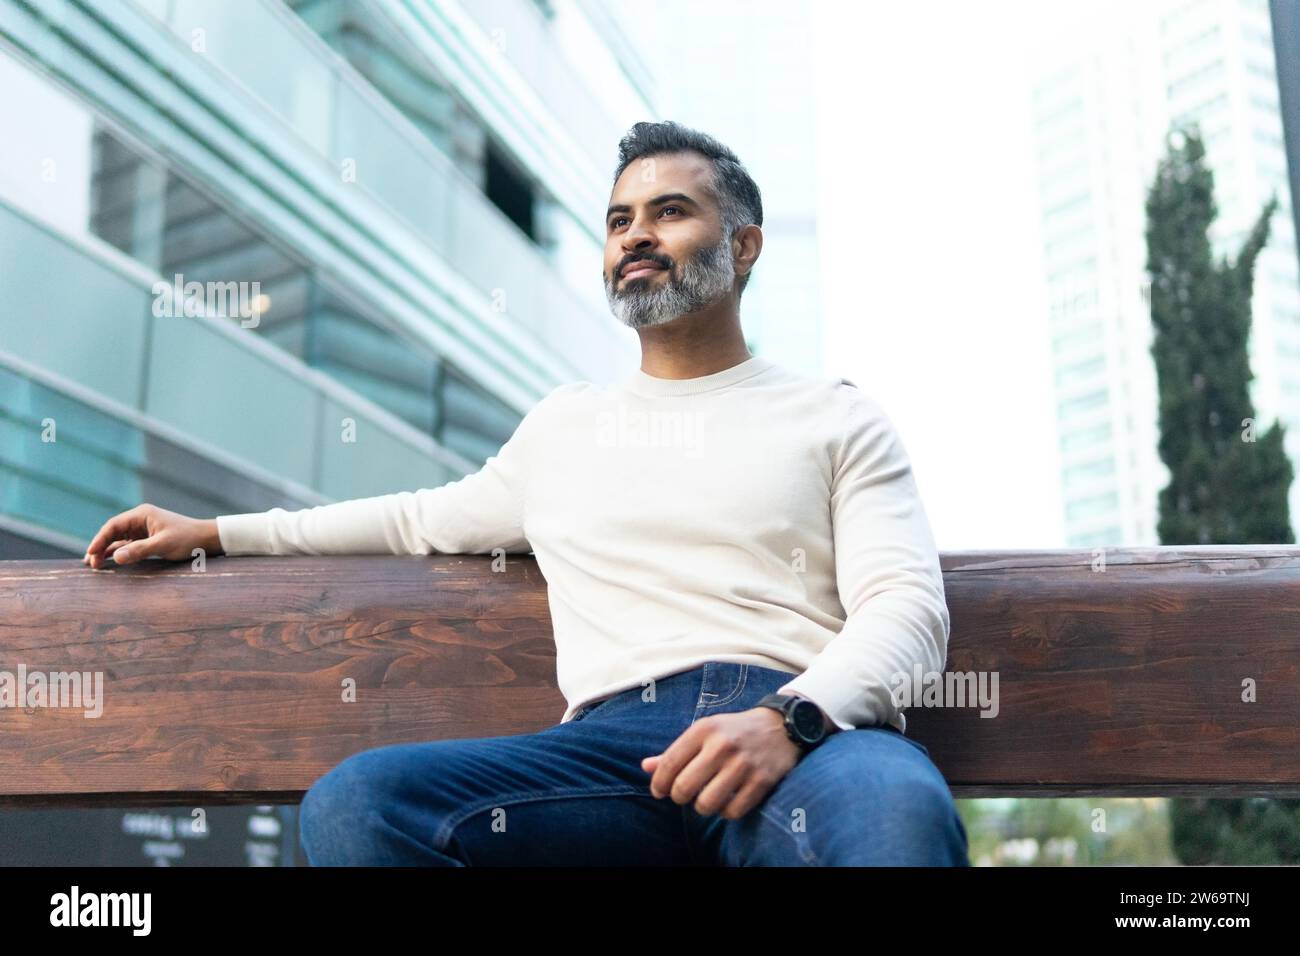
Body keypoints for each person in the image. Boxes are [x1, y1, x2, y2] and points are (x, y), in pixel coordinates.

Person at [84, 121, 969, 867]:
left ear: (743, 246)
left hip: (798, 739)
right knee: (359, 806)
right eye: (620, 219)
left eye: (670, 212)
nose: (635, 235)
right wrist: (215, 530)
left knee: (894, 810)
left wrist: (792, 719)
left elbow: (906, 610)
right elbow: (413, 519)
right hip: (606, 761)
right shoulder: (564, 427)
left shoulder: (834, 417)